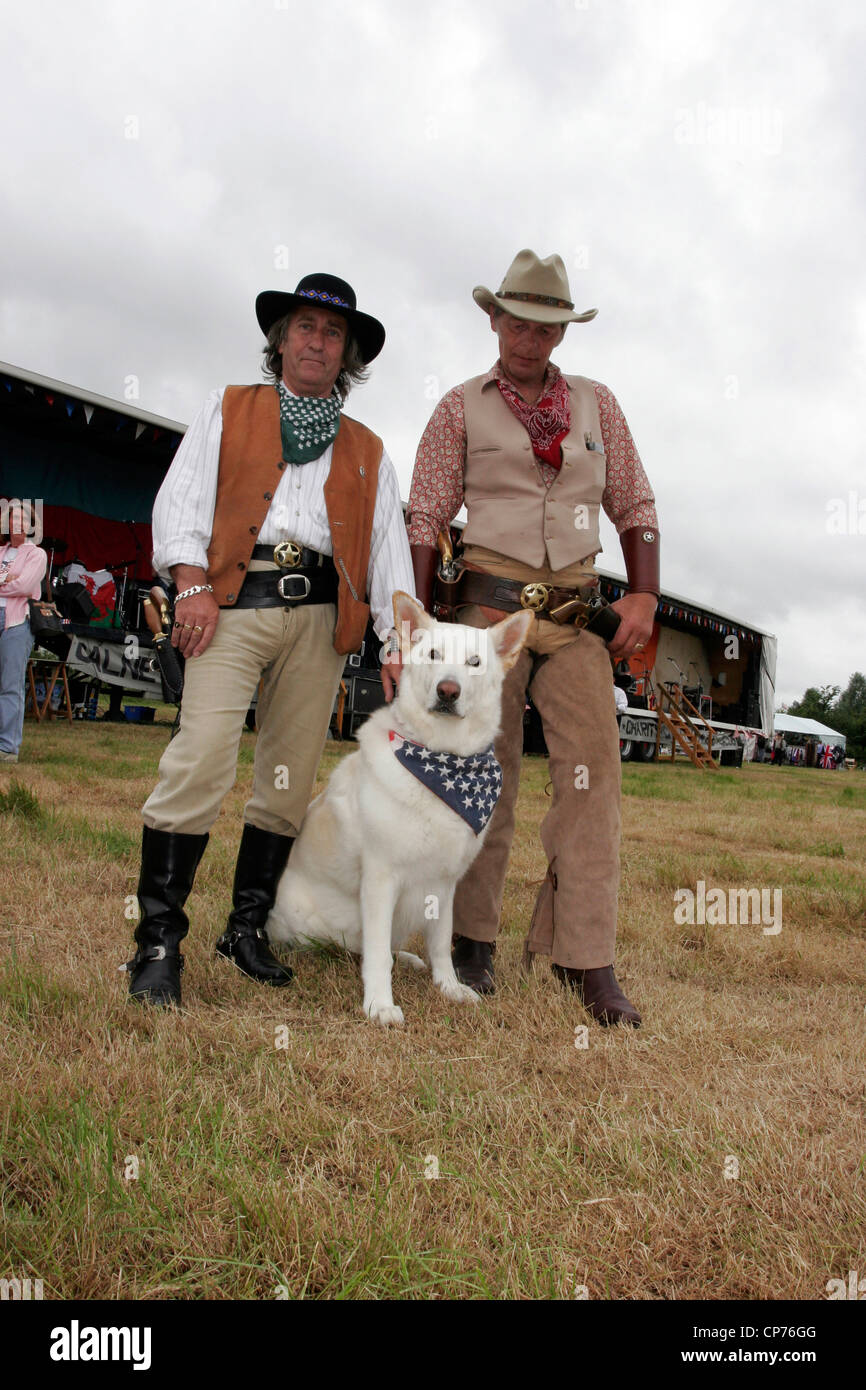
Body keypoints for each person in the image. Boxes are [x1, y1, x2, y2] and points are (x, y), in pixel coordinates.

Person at [125, 273, 414, 1007]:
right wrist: (190, 586)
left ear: (347, 354)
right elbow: (180, 504)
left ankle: (244, 928)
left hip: (321, 622)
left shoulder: (371, 450)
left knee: (288, 778)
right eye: (306, 327)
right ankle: (158, 943)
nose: (318, 342)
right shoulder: (228, 409)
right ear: (281, 340)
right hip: (229, 605)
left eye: (333, 333)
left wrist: (397, 642)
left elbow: (388, 558)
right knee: (199, 758)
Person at [407, 249, 660, 1026]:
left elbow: (636, 503)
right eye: (518, 321)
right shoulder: (459, 406)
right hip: (488, 615)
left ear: (563, 331)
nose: (531, 337)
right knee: (487, 774)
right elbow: (424, 515)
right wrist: (415, 632)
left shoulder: (598, 404)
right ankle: (472, 944)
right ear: (494, 320)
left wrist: (644, 593)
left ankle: (585, 960)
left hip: (580, 616)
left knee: (594, 782)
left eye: (548, 325)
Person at [0, 503, 48, 764]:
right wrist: (10, 581)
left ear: (31, 525)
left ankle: (7, 747)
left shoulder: (37, 554)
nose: (16, 523)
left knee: (10, 685)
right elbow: (13, 582)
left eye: (22, 518)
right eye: (12, 518)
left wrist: (8, 582)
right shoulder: (3, 552)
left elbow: (26, 585)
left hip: (17, 622)